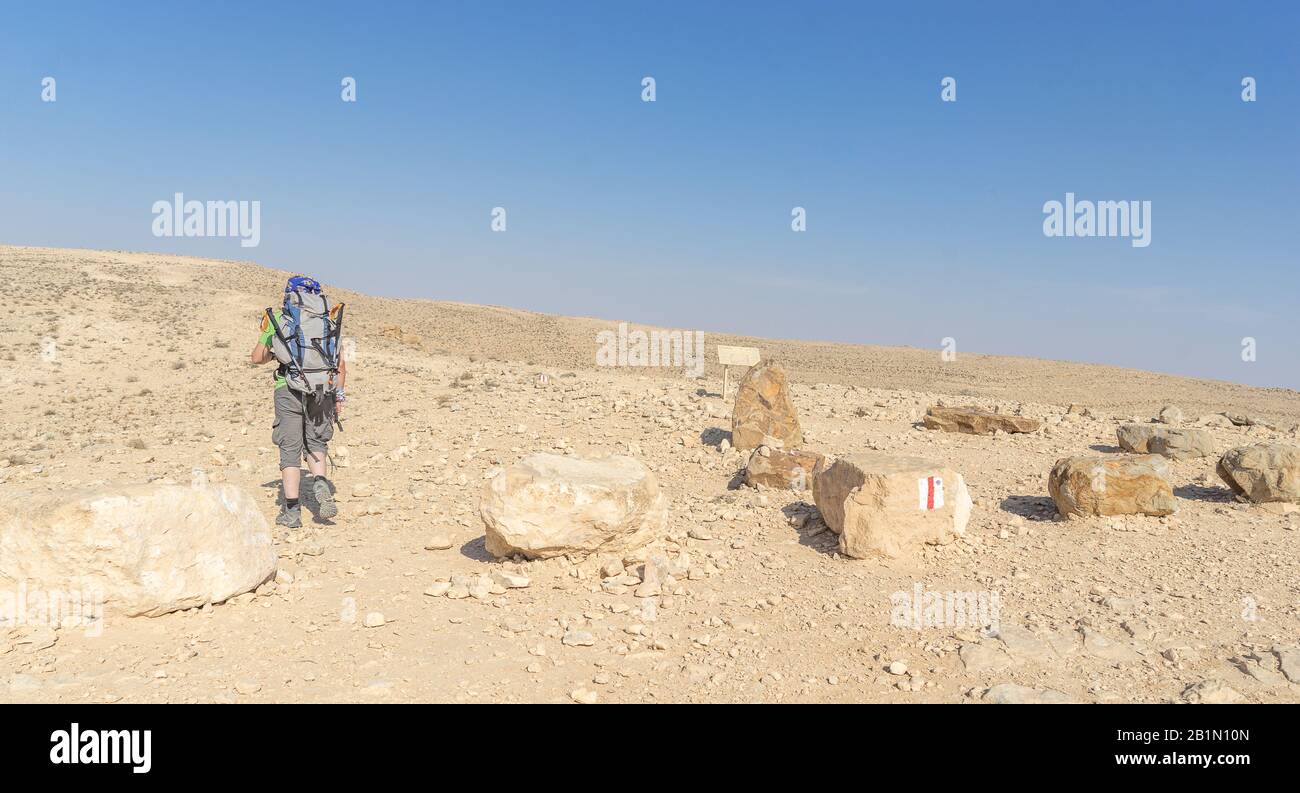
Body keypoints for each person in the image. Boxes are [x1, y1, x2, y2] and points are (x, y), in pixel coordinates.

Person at [250, 275, 347, 527]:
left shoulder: (279, 319)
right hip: (321, 389)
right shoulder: (328, 321)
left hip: (288, 389)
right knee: (316, 441)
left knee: (290, 448)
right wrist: (338, 395)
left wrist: (275, 353)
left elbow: (257, 358)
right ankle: (320, 484)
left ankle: (292, 512)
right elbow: (340, 365)